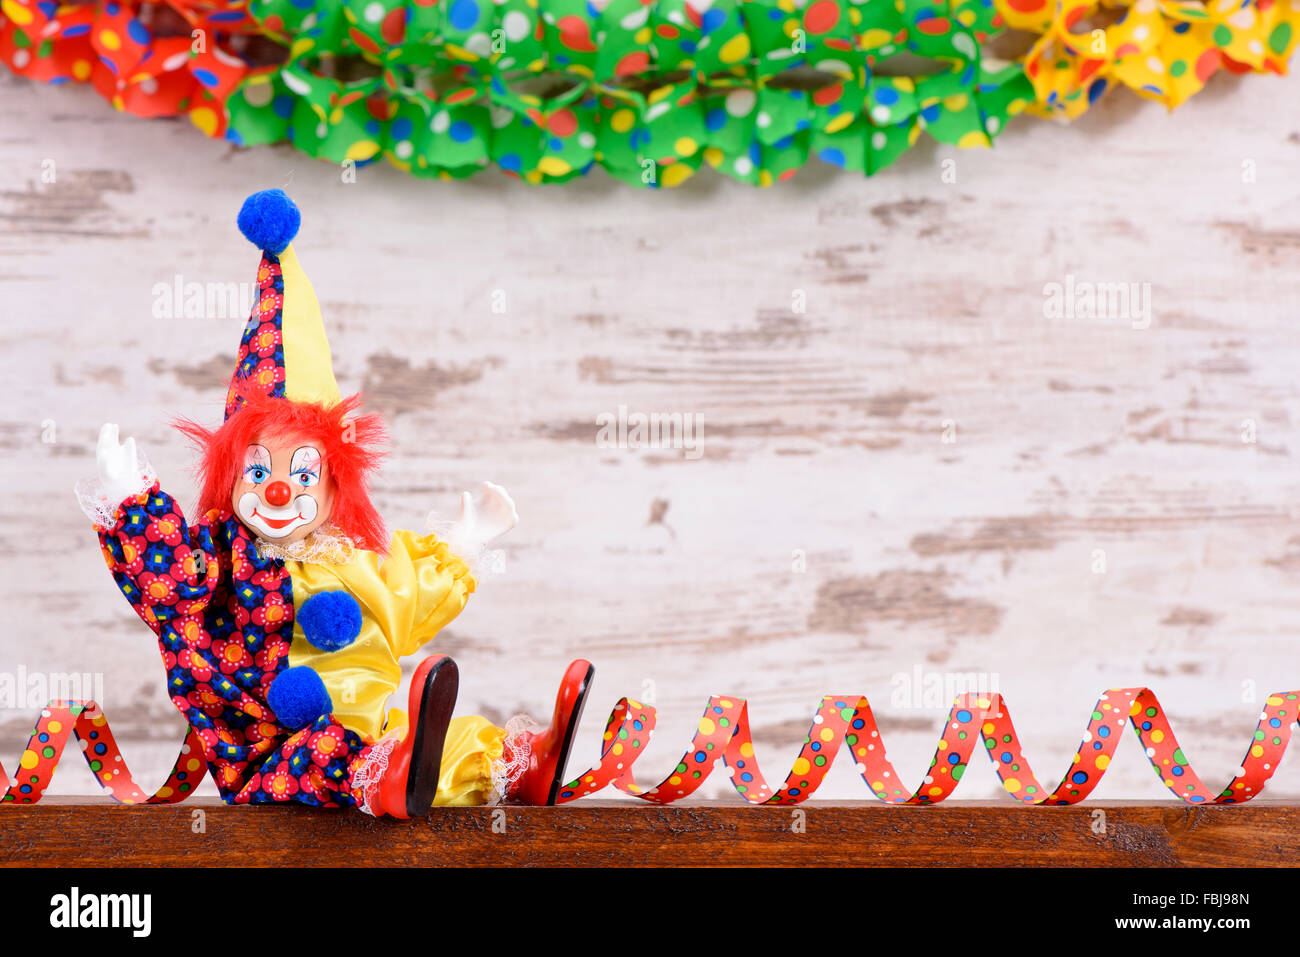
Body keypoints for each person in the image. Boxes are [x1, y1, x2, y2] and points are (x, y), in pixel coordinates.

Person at [76, 189, 592, 816]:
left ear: (333, 484)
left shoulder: (347, 557)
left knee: (452, 744)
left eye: (302, 473)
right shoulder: (222, 555)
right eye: (258, 469)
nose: (277, 491)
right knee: (326, 755)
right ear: (231, 475)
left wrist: (468, 539)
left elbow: (407, 598)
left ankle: (526, 766)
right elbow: (170, 586)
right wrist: (134, 501)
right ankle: (384, 780)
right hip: (270, 750)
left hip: (371, 733)